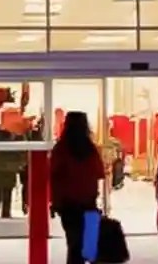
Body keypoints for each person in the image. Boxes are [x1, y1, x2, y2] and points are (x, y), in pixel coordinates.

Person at [51, 111, 106, 264]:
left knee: (74, 246)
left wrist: (55, 202)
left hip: (67, 204)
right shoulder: (91, 149)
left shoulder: (61, 149)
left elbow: (54, 175)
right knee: (89, 247)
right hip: (88, 201)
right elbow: (99, 173)